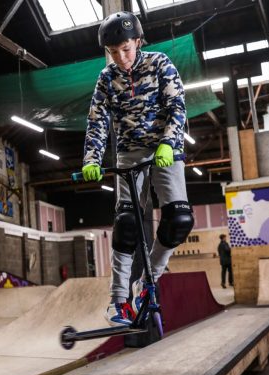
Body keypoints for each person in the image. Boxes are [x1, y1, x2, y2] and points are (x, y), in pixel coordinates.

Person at [82, 11, 194, 327]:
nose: (121, 57)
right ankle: (118, 301)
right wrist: (91, 159)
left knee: (180, 219)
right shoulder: (106, 79)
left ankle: (147, 283)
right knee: (127, 222)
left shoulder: (160, 65)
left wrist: (169, 143)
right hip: (129, 154)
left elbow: (177, 106)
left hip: (164, 151)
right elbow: (98, 121)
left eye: (126, 49)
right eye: (114, 52)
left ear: (138, 42)